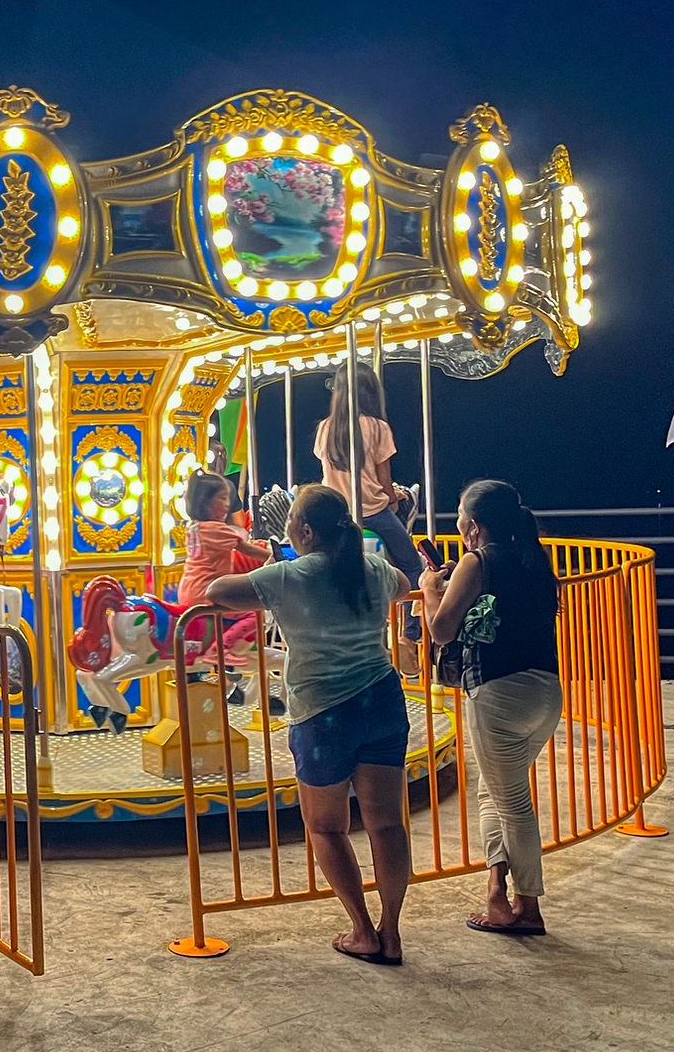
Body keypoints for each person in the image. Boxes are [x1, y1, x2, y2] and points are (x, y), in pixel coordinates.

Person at [208, 484, 412, 965]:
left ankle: (362, 929)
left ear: (302, 530)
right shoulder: (373, 567)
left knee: (326, 826)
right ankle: (392, 930)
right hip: (382, 700)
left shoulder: (287, 576)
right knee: (386, 824)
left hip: (323, 714)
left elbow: (217, 593)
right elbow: (404, 586)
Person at [420, 479, 563, 937]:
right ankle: (495, 892)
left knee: (514, 804)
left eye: (460, 513)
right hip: (545, 692)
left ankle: (530, 907)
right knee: (493, 793)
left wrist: (428, 590)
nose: (458, 521)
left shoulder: (476, 561)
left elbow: (442, 631)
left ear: (474, 526)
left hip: (498, 694)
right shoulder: (534, 559)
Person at [313, 362, 422, 581]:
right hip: (371, 512)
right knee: (412, 564)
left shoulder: (325, 427)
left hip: (335, 511)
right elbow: (384, 480)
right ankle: (413, 615)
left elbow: (327, 472)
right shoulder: (377, 427)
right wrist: (394, 499)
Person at [176, 472, 270, 610]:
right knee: (252, 613)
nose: (227, 504)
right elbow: (247, 549)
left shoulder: (194, 527)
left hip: (187, 589)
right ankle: (227, 633)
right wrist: (275, 558)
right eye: (222, 498)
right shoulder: (216, 529)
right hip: (207, 591)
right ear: (206, 503)